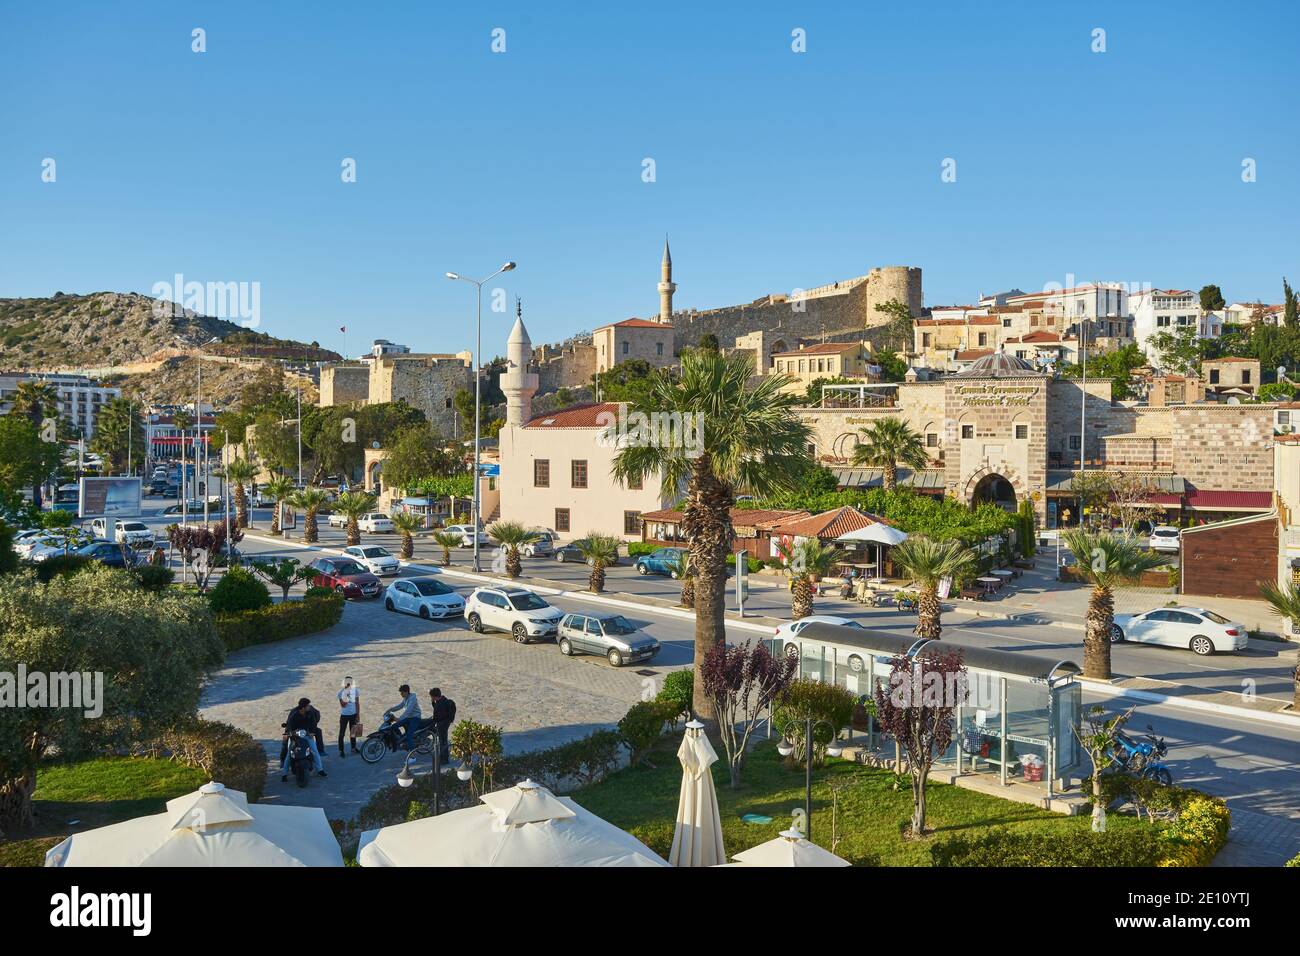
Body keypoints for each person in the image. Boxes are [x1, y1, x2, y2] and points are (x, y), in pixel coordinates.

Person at [281, 698, 327, 780]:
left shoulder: (310, 713)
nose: (309, 707)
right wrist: (290, 734)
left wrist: (311, 733)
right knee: (289, 753)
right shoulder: (294, 715)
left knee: (315, 751)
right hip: (295, 736)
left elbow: (313, 724)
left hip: (306, 735)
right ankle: (284, 774)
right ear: (303, 707)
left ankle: (320, 769)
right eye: (308, 705)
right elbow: (289, 727)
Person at [381, 684, 422, 752]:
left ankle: (412, 755)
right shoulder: (405, 698)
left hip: (415, 718)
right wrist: (390, 709)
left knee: (409, 735)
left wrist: (399, 719)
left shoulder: (412, 698)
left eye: (402, 692)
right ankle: (401, 740)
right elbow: (400, 706)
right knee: (393, 726)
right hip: (408, 718)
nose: (401, 694)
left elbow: (408, 711)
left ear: (406, 692)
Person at [428, 687, 456, 764]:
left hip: (442, 724)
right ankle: (443, 757)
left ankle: (444, 759)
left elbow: (437, 715)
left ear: (434, 696)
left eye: (431, 697)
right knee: (443, 740)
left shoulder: (440, 704)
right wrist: (434, 703)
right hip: (446, 723)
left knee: (442, 741)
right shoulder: (444, 700)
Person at [337, 677, 360, 757]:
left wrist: (358, 715)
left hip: (353, 715)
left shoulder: (355, 691)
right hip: (344, 716)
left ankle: (353, 748)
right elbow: (343, 705)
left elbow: (357, 703)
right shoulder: (340, 693)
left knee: (353, 733)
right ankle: (341, 750)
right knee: (342, 733)